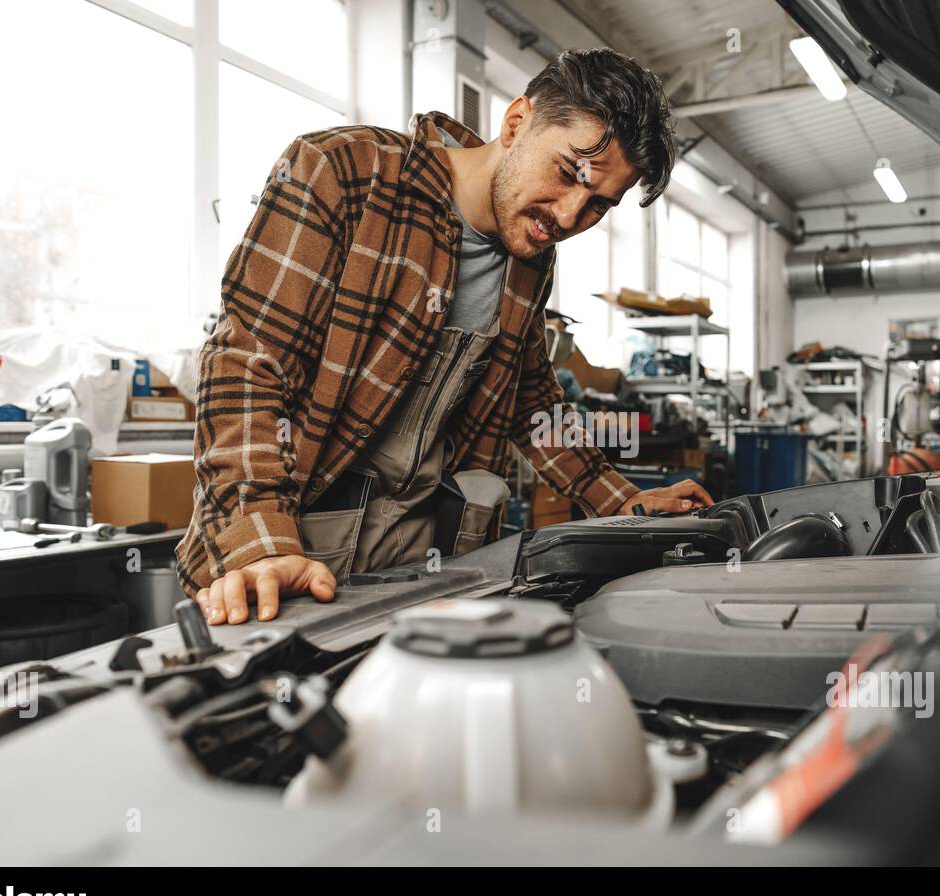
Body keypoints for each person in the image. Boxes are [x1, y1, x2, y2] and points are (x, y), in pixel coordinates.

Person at [178, 48, 713, 625]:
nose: (568, 215)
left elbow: (529, 403)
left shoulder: (529, 260)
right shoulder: (344, 174)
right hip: (286, 555)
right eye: (567, 175)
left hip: (415, 571)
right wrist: (262, 543)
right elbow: (246, 365)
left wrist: (621, 500)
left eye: (598, 206)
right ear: (516, 123)